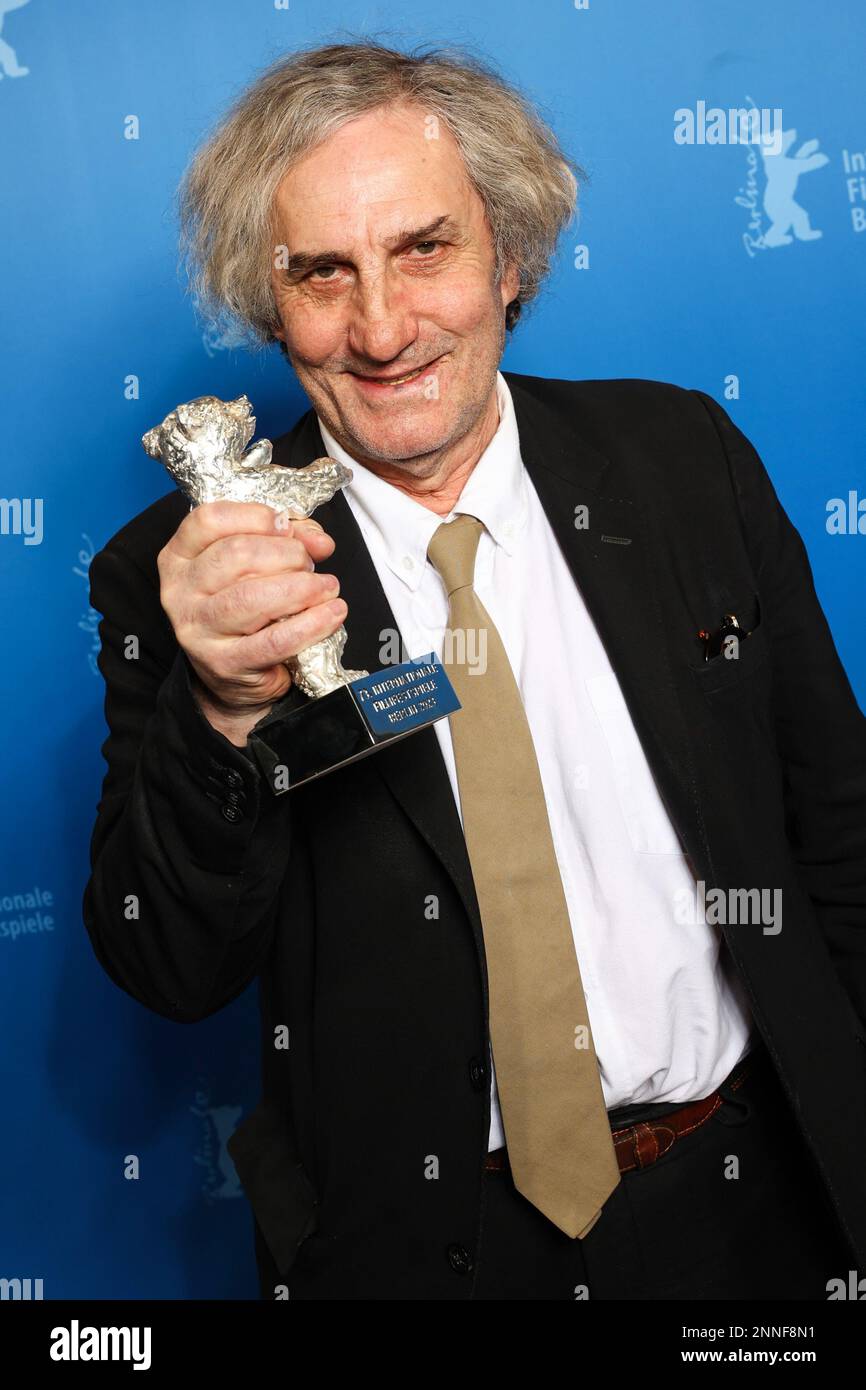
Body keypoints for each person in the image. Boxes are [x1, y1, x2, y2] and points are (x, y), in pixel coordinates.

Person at [83, 40, 866, 1300]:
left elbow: (837, 830)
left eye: (423, 249)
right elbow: (168, 966)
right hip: (425, 1253)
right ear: (267, 307)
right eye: (321, 272)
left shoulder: (681, 459)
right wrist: (221, 707)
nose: (381, 328)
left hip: (748, 1204)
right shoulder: (185, 579)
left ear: (509, 259)